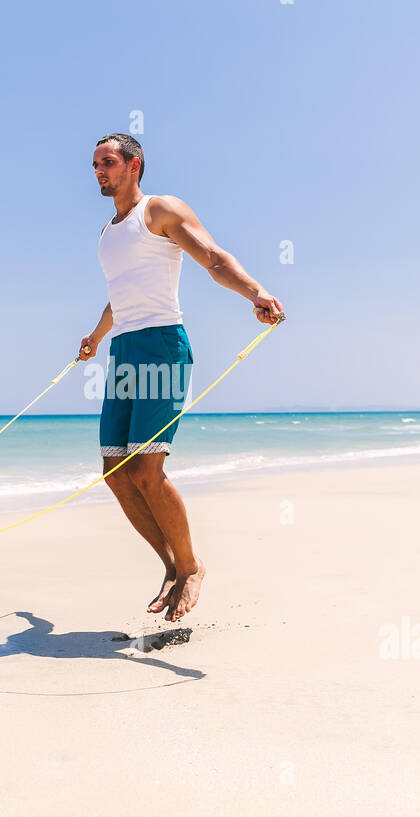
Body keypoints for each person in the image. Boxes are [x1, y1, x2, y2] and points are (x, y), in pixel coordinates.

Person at [80, 133, 284, 621]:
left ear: (133, 164)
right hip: (125, 349)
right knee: (114, 470)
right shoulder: (108, 232)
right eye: (93, 165)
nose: (97, 171)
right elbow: (120, 295)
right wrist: (95, 336)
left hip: (161, 347)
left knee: (146, 471)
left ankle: (191, 568)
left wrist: (255, 292)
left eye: (106, 162)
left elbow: (212, 258)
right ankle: (171, 564)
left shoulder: (160, 210)